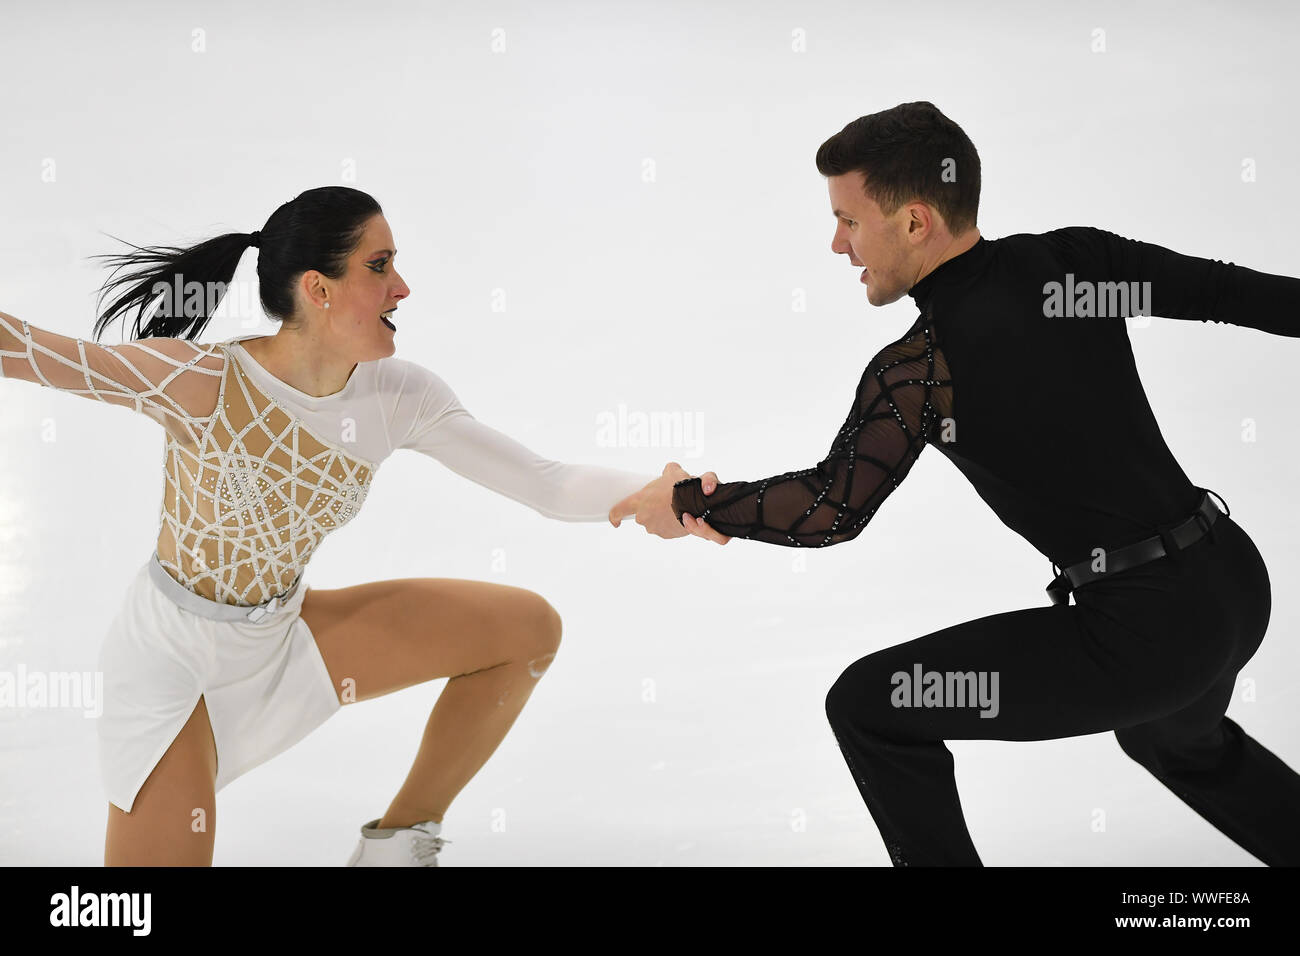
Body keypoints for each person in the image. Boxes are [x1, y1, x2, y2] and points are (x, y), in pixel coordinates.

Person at [612, 101, 1300, 866]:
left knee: (872, 709)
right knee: (1172, 737)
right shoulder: (1075, 264)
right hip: (1234, 586)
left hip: (1148, 639)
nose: (837, 245)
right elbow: (1234, 294)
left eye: (848, 221)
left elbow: (829, 508)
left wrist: (687, 504)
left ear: (914, 222)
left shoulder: (922, 369)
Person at [0, 186, 674, 866]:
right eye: (379, 267)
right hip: (173, 667)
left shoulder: (397, 397)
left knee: (524, 630)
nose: (402, 287)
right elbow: (28, 351)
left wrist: (656, 496)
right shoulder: (199, 381)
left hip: (282, 642)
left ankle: (396, 849)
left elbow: (549, 484)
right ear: (318, 289)